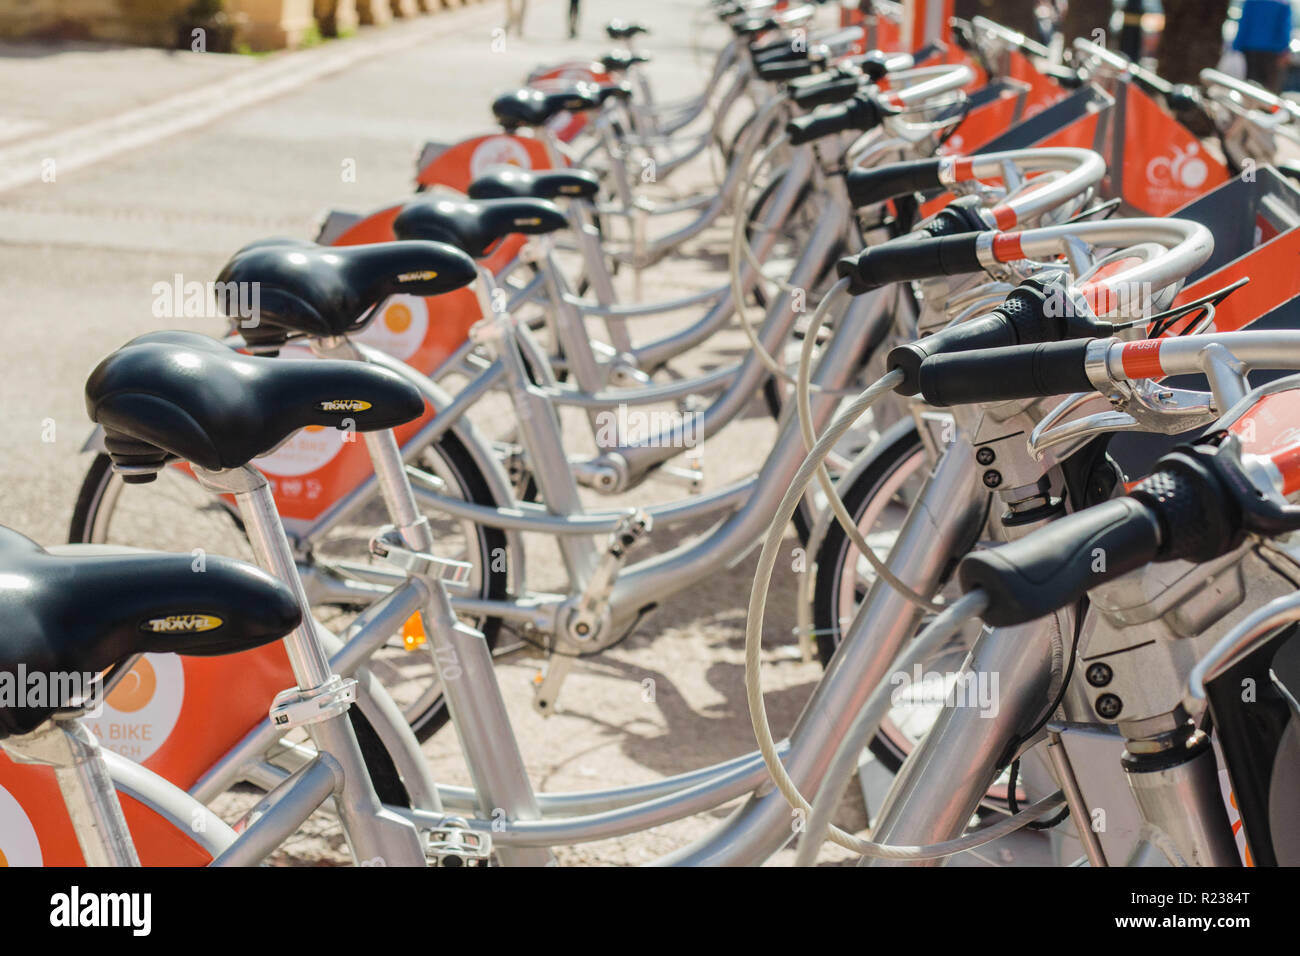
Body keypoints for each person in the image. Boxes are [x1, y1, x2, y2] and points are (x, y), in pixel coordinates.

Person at [1233, 0, 1293, 93]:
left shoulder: (1251, 2)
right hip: (1273, 51)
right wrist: (1285, 50)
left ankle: (1250, 105)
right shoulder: (1282, 3)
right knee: (1269, 87)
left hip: (1251, 48)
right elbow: (1284, 28)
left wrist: (1236, 46)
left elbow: (1244, 23)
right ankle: (1264, 107)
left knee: (1252, 83)